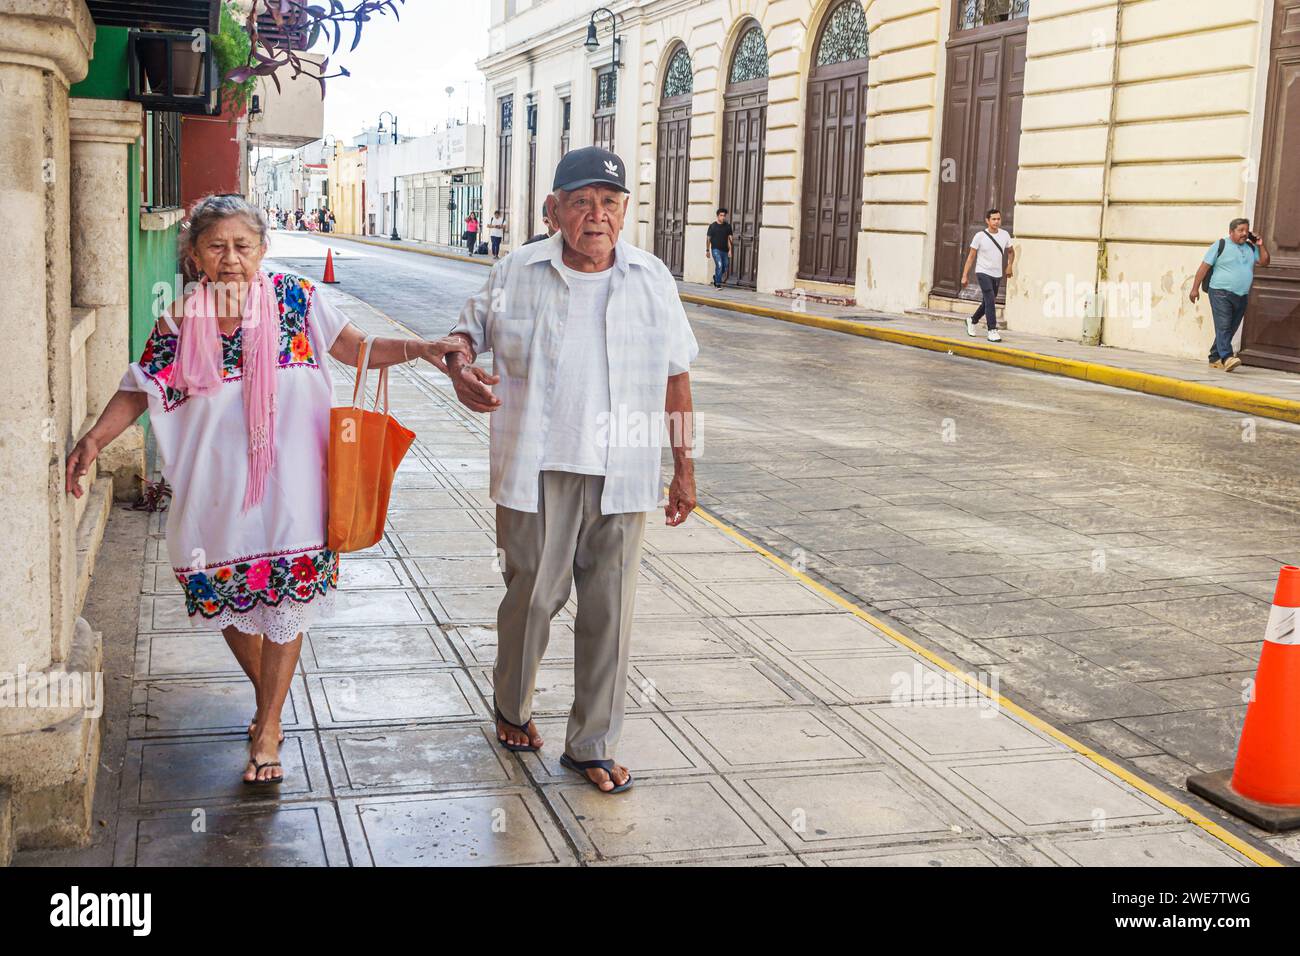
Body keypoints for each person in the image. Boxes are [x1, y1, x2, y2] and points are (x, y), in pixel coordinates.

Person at [64, 194, 470, 785]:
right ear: (196, 253)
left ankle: (269, 724)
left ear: (262, 248)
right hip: (215, 492)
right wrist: (94, 440)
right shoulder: (179, 320)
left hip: (297, 487)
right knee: (225, 595)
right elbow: (139, 388)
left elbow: (357, 349)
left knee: (290, 595)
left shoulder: (297, 300)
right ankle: (268, 700)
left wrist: (421, 347)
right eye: (216, 246)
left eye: (242, 245)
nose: (230, 258)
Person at [444, 146, 699, 794]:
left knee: (609, 615)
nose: (596, 215)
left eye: (609, 202)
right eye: (582, 201)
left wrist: (684, 468)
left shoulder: (652, 278)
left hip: (625, 472)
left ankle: (590, 744)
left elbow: (677, 374)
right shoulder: (517, 272)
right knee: (532, 601)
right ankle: (513, 706)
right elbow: (462, 337)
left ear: (624, 211)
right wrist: (460, 367)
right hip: (537, 467)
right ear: (552, 209)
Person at [1191, 217, 1270, 372]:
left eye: (1246, 231)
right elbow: (1204, 267)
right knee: (1224, 325)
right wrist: (1195, 288)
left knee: (1231, 327)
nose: (1244, 234)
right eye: (1240, 230)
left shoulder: (1250, 247)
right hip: (1220, 292)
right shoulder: (1221, 244)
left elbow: (1265, 262)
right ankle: (1227, 357)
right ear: (1231, 232)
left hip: (1241, 295)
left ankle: (1214, 357)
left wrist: (1260, 245)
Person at [961, 208, 1014, 343]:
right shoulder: (980, 236)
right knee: (990, 299)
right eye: (993, 219)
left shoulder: (1005, 235)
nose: (996, 222)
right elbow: (971, 257)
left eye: (998, 219)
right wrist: (964, 275)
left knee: (987, 302)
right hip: (982, 271)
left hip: (997, 274)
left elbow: (1011, 252)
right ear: (987, 221)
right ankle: (992, 330)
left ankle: (972, 320)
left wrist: (1009, 265)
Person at [706, 208, 733, 290]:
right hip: (715, 249)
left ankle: (716, 277)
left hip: (725, 250)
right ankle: (718, 284)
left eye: (724, 216)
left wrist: (730, 250)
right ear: (717, 216)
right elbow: (708, 239)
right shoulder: (712, 226)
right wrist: (707, 250)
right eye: (721, 215)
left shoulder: (728, 226)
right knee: (719, 265)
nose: (723, 217)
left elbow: (730, 239)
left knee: (725, 266)